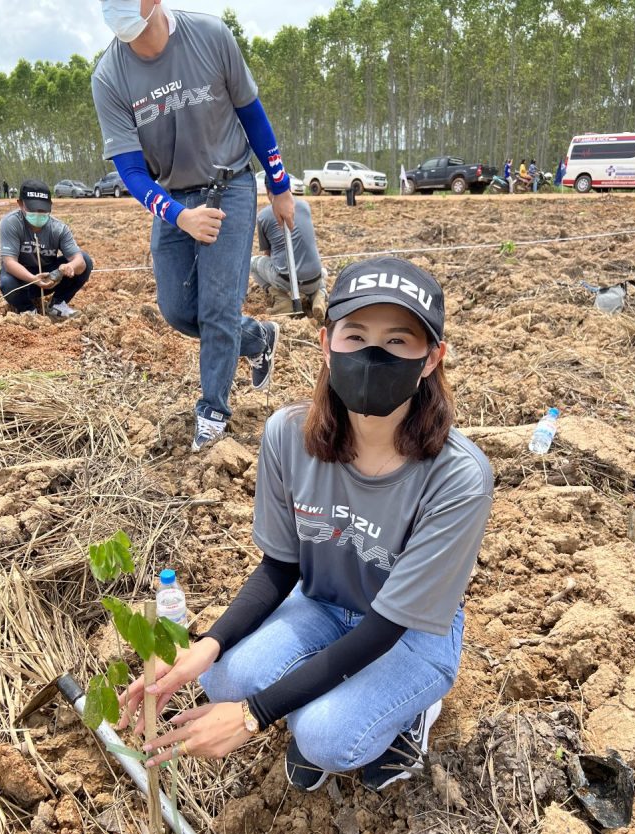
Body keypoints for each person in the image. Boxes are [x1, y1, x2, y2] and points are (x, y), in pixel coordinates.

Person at [120, 257, 494, 793]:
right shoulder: (288, 436)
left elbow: (386, 626)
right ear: (326, 343)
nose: (372, 355)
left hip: (409, 631)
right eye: (355, 335)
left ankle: (412, 714)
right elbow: (281, 566)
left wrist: (254, 715)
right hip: (323, 602)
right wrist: (208, 644)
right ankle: (331, 687)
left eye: (397, 341)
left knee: (324, 737)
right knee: (222, 677)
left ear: (432, 358)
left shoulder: (458, 476)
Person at [91, 0, 295, 452]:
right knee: (179, 310)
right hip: (173, 198)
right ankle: (257, 336)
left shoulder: (210, 36)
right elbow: (131, 171)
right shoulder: (109, 77)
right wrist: (179, 216)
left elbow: (251, 113)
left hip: (230, 185)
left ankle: (213, 413)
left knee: (218, 306)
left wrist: (279, 184)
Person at [0, 179, 93, 317]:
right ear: (20, 204)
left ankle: (57, 304)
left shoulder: (59, 229)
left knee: (86, 260)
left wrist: (69, 267)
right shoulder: (11, 223)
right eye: (33, 208)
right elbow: (9, 262)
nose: (38, 213)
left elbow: (80, 261)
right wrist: (33, 278)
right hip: (22, 280)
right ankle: (28, 310)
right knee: (7, 282)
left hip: (49, 276)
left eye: (43, 209)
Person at [251, 190, 327, 321]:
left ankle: (282, 301)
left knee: (252, 263)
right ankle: (319, 295)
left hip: (286, 280)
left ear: (268, 191)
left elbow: (267, 255)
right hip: (314, 278)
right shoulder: (304, 205)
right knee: (321, 271)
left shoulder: (263, 216)